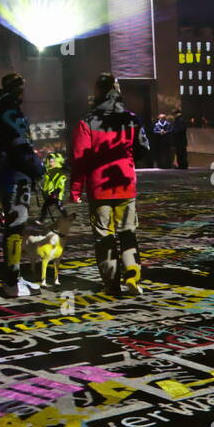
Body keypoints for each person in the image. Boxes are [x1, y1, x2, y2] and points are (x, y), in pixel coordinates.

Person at [69, 73, 151, 297]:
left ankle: (112, 284)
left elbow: (80, 158)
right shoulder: (131, 118)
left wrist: (75, 190)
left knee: (104, 237)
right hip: (125, 184)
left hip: (99, 187)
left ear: (97, 92)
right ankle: (133, 277)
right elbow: (144, 148)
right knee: (128, 233)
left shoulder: (87, 121)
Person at [0, 72, 44, 297]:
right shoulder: (9, 111)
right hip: (16, 175)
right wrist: (37, 168)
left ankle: (14, 277)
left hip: (3, 174)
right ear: (18, 90)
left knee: (13, 226)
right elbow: (20, 144)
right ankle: (12, 282)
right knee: (16, 228)